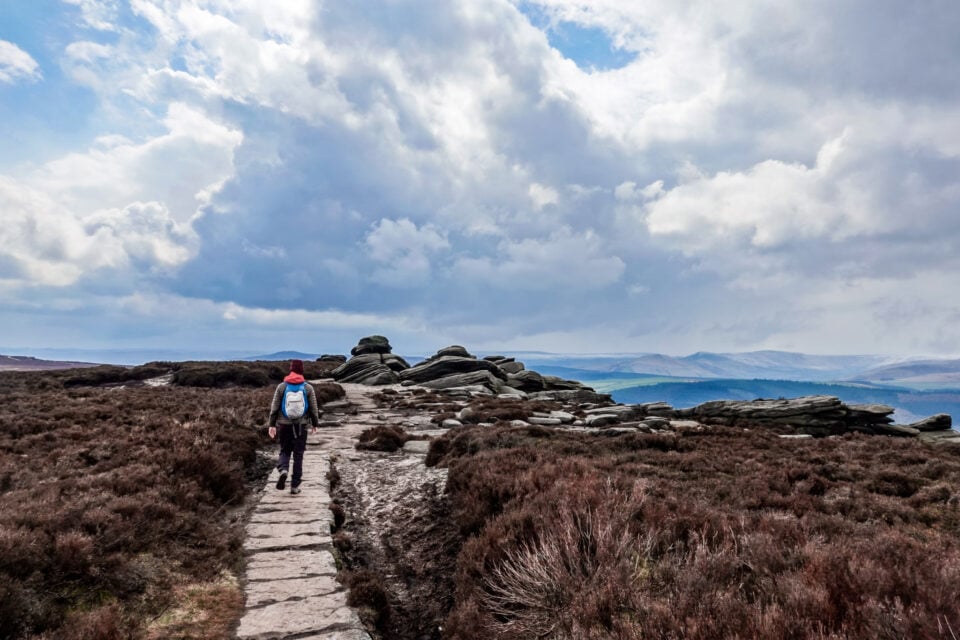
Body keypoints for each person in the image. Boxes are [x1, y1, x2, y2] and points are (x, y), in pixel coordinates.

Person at [268, 359, 320, 494]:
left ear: (290, 370)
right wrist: (315, 424)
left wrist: (271, 425)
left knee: (285, 451)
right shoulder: (308, 387)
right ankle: (295, 486)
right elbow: (314, 408)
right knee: (298, 456)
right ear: (302, 370)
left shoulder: (281, 387)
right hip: (301, 426)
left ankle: (283, 469)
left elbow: (274, 408)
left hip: (284, 426)